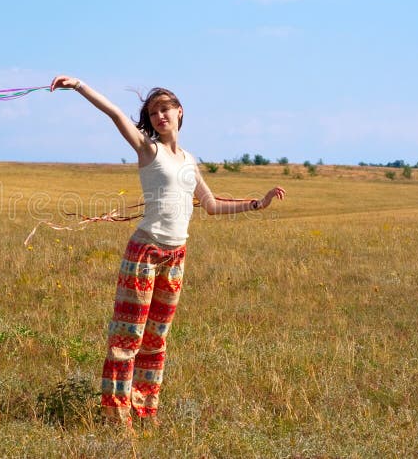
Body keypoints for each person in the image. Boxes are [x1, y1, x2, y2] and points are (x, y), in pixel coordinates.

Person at [49, 75, 286, 429]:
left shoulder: (189, 160)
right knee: (128, 335)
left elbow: (211, 205)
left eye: (165, 109)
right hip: (145, 252)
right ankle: (117, 416)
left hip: (176, 257)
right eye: (153, 111)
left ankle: (146, 410)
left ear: (179, 112)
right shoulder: (149, 149)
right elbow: (115, 114)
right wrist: (80, 86)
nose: (160, 115)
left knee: (156, 339)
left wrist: (257, 204)